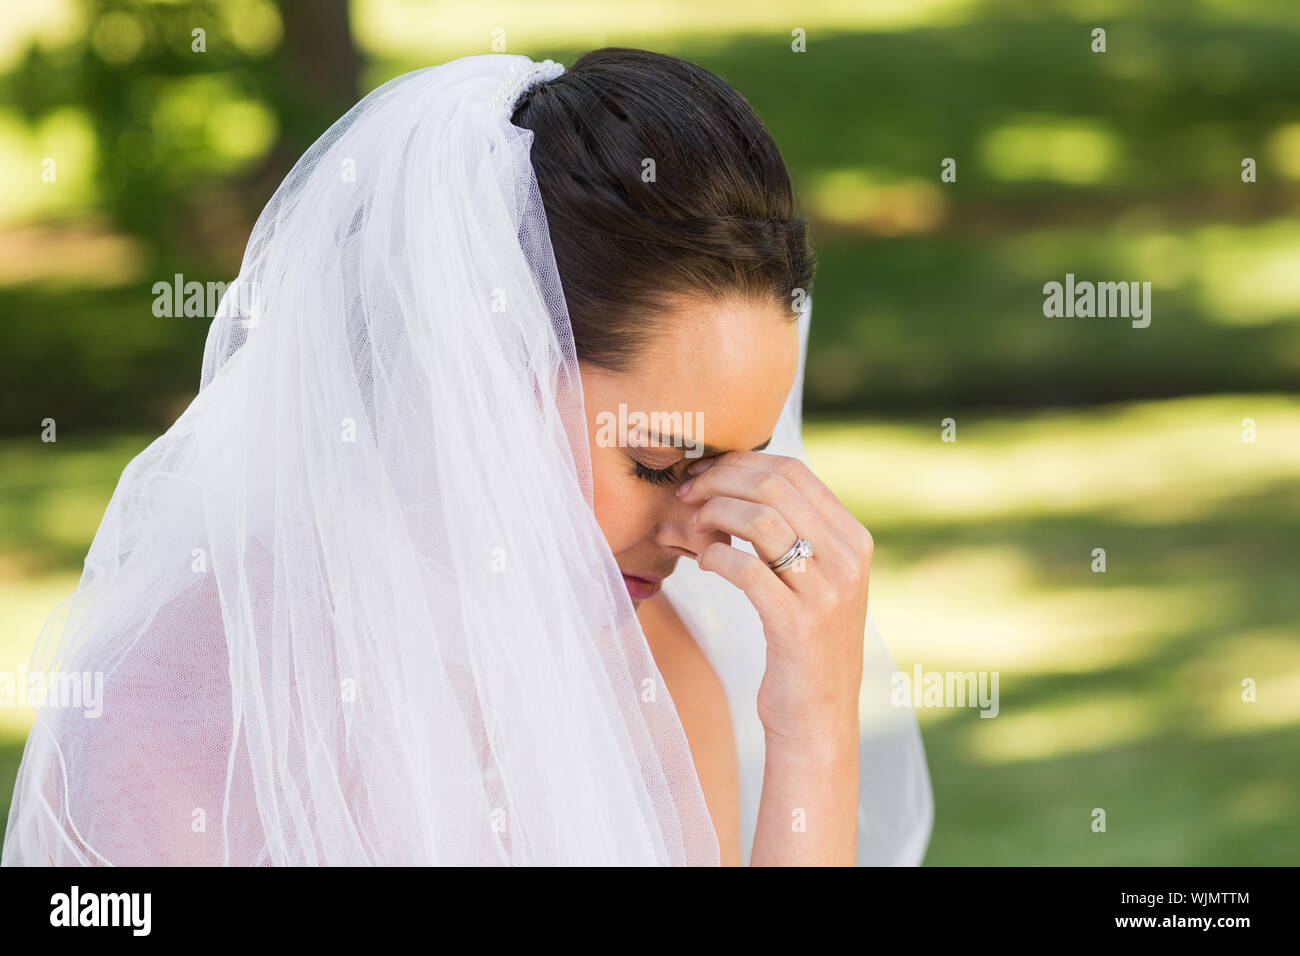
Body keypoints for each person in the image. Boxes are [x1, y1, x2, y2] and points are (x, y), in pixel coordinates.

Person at [2, 49, 931, 866]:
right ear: (475, 369)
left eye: (743, 465)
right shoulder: (166, 724)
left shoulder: (661, 679)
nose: (700, 530)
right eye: (657, 461)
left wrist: (813, 726)